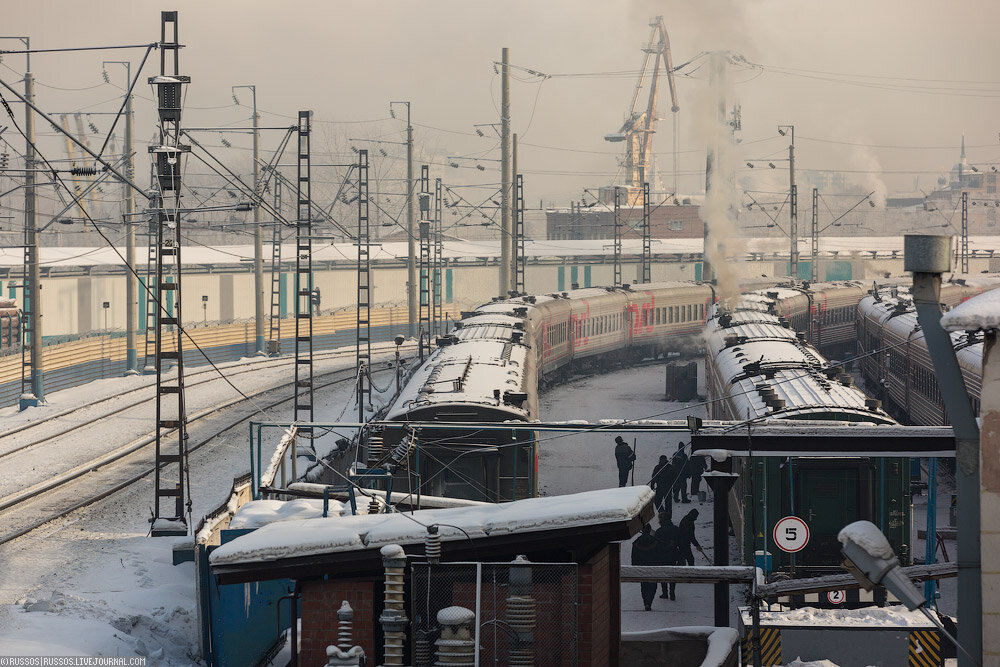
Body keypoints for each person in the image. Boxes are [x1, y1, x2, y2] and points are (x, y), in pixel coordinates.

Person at [630, 524, 659, 611]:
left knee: (644, 585)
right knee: (653, 585)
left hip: (641, 567)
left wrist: (634, 567)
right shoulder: (655, 541)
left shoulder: (636, 542)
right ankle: (649, 602)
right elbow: (659, 555)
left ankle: (646, 602)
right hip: (653, 566)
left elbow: (633, 556)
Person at [654, 512, 682, 600]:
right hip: (673, 554)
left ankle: (665, 592)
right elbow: (680, 543)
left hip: (662, 555)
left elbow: (657, 546)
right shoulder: (676, 529)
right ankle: (672, 592)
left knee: (663, 573)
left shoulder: (659, 531)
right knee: (672, 573)